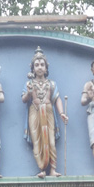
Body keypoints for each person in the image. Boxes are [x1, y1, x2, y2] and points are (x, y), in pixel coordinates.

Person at [22, 47, 68, 178]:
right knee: (37, 141)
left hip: (48, 111)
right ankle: (42, 168)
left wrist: (61, 113)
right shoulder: (29, 83)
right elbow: (24, 99)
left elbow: (57, 98)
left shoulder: (52, 84)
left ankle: (52, 169)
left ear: (46, 68)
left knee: (50, 141)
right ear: (32, 68)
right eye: (36, 65)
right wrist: (29, 93)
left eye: (42, 64)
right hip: (35, 112)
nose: (39, 67)